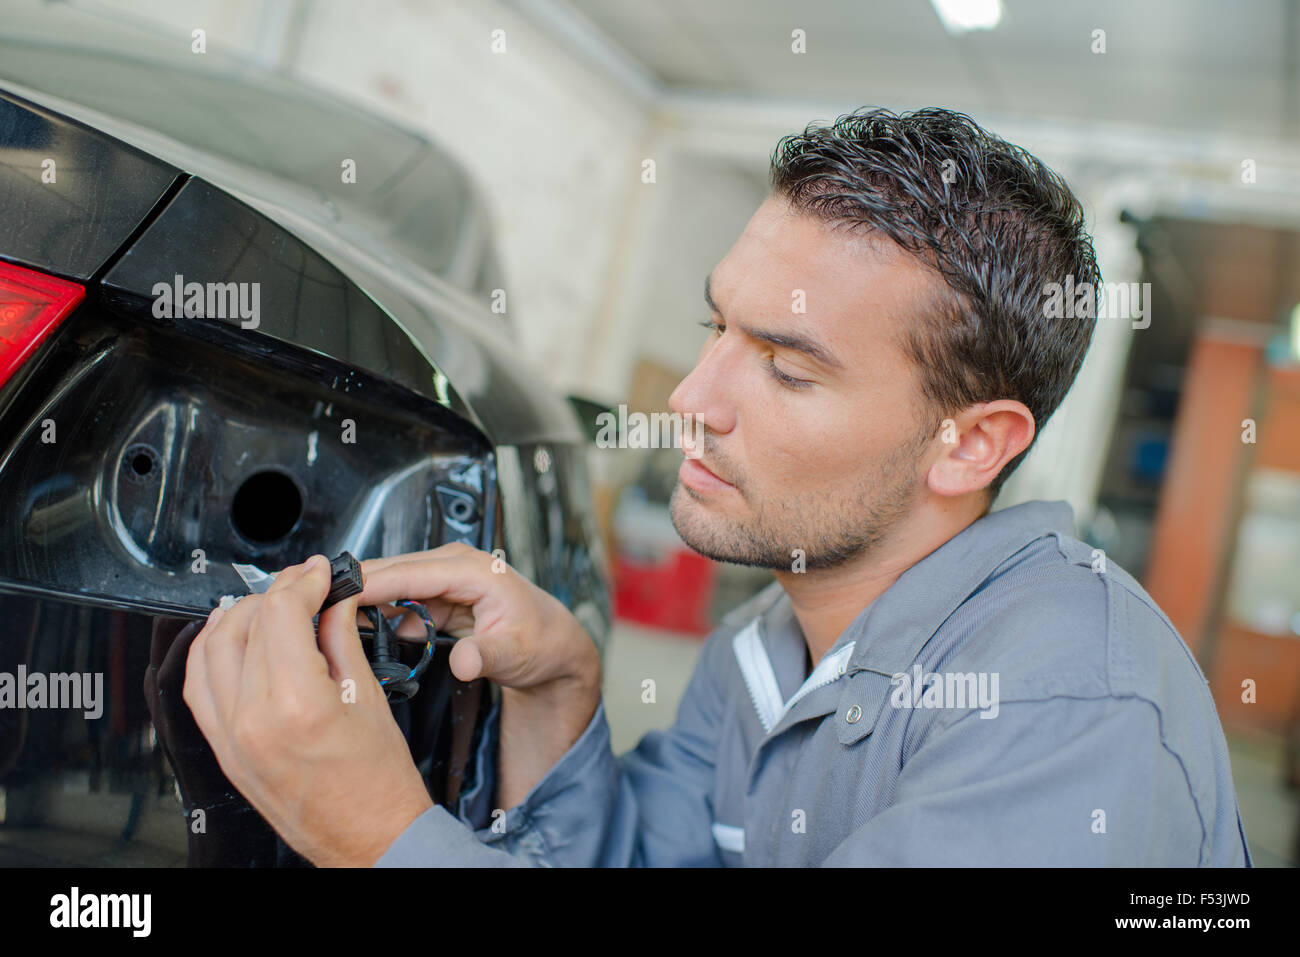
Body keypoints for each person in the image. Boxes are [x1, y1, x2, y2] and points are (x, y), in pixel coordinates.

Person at [181, 107, 1252, 867]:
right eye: (715, 327)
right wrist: (561, 697)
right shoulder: (764, 648)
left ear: (969, 447)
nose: (694, 394)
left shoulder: (1069, 716)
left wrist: (376, 839)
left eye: (787, 368)